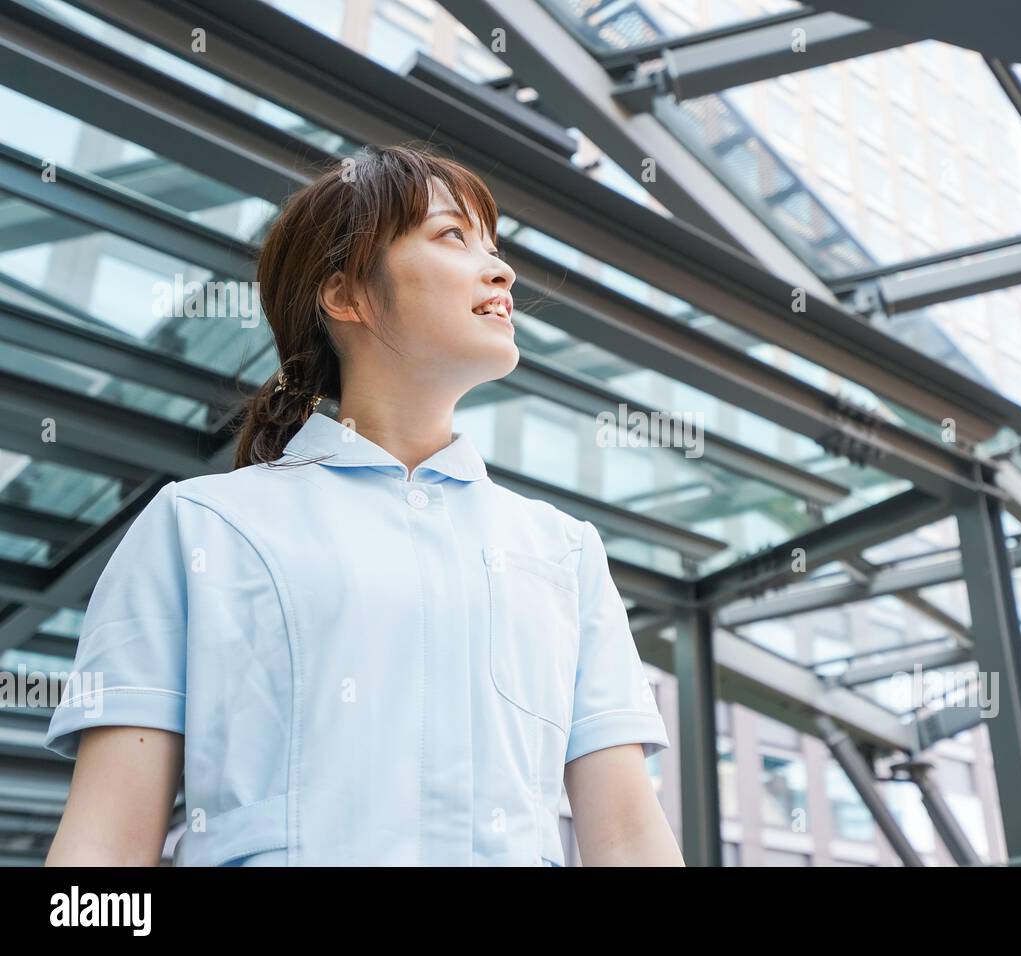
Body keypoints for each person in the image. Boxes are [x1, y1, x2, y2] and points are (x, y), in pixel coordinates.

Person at [42, 143, 682, 867]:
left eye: (495, 245)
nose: (502, 268)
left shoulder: (563, 551)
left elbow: (629, 838)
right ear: (345, 295)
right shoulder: (197, 527)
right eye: (452, 236)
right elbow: (104, 846)